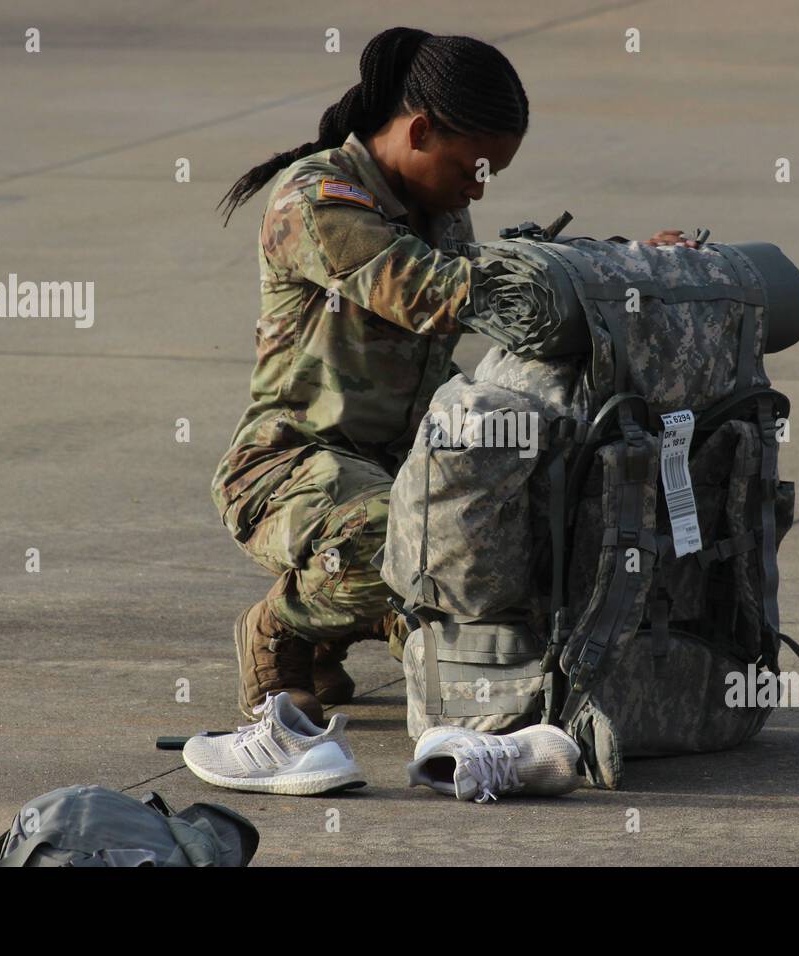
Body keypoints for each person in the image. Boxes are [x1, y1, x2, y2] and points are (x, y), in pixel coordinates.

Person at [214, 26, 697, 727]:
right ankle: (280, 631)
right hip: (289, 466)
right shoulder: (316, 200)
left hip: (398, 464)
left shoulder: (440, 210)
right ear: (419, 131)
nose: (478, 187)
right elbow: (429, 289)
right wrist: (584, 278)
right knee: (413, 540)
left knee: (507, 550)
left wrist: (631, 264)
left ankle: (341, 627)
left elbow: (500, 279)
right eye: (473, 168)